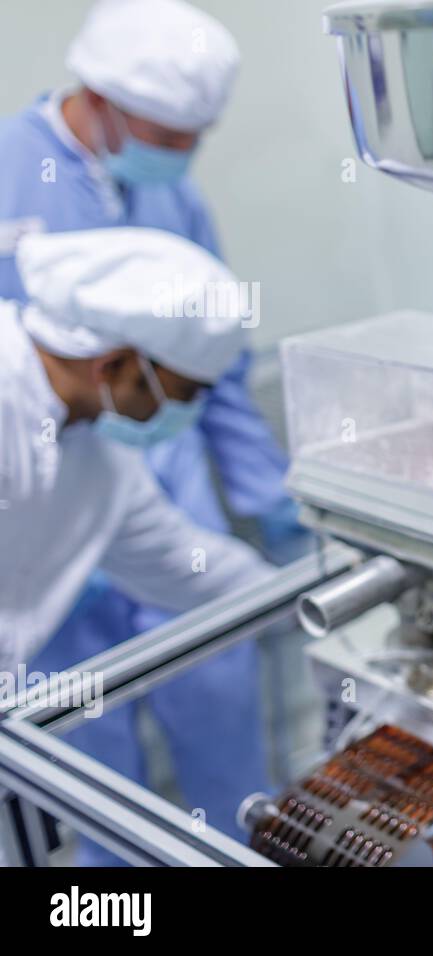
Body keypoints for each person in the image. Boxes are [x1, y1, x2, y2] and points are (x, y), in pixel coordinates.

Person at [0, 0, 304, 863]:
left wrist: (301, 578)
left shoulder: (101, 463)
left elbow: (179, 562)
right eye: (165, 136)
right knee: (87, 786)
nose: (178, 158)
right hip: (41, 602)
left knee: (218, 724)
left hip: (128, 482)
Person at [0, 229, 276, 863]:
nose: (175, 415)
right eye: (178, 395)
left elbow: (183, 566)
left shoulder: (98, 459)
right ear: (117, 365)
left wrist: (326, 594)